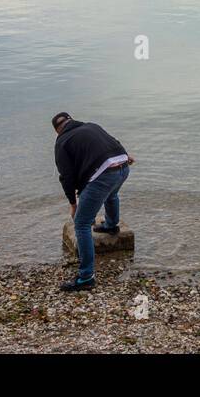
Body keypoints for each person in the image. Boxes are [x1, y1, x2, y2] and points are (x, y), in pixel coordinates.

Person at [53, 112, 133, 292]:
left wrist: (73, 204)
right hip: (123, 166)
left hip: (106, 174)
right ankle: (111, 225)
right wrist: (126, 156)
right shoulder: (91, 126)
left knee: (81, 223)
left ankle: (86, 277)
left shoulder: (62, 141)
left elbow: (66, 176)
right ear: (72, 120)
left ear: (57, 131)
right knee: (111, 194)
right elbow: (114, 142)